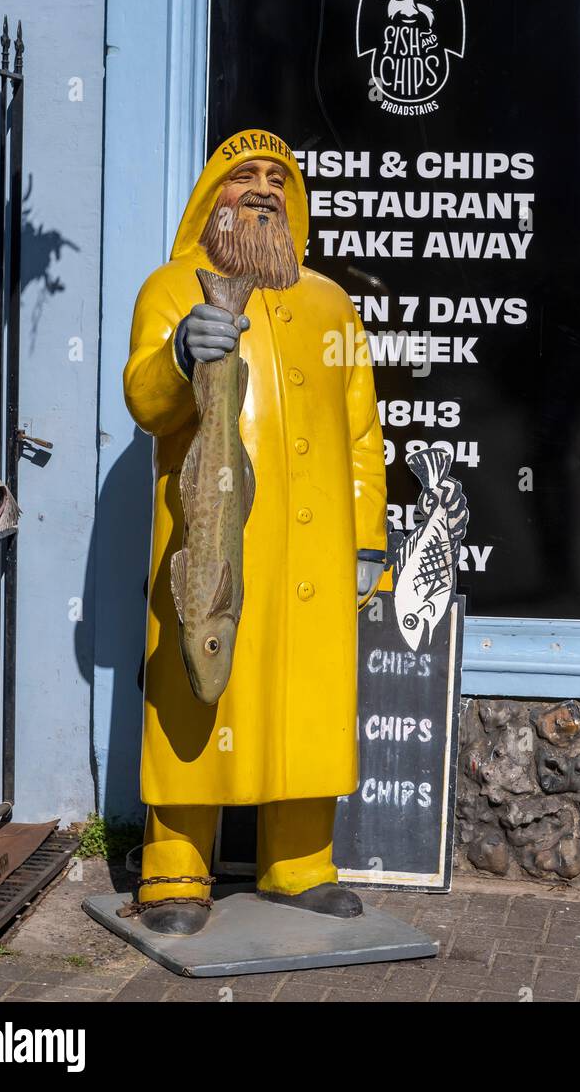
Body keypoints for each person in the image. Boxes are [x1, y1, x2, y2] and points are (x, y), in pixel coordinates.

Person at [124, 128, 386, 934]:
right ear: (214, 198)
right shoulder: (173, 287)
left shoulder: (331, 301)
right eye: (245, 178)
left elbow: (361, 430)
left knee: (306, 691)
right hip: (216, 533)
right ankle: (174, 867)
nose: (264, 189)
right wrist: (178, 353)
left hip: (313, 544)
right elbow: (144, 400)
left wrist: (367, 536)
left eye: (279, 178)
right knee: (198, 685)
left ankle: (300, 861)